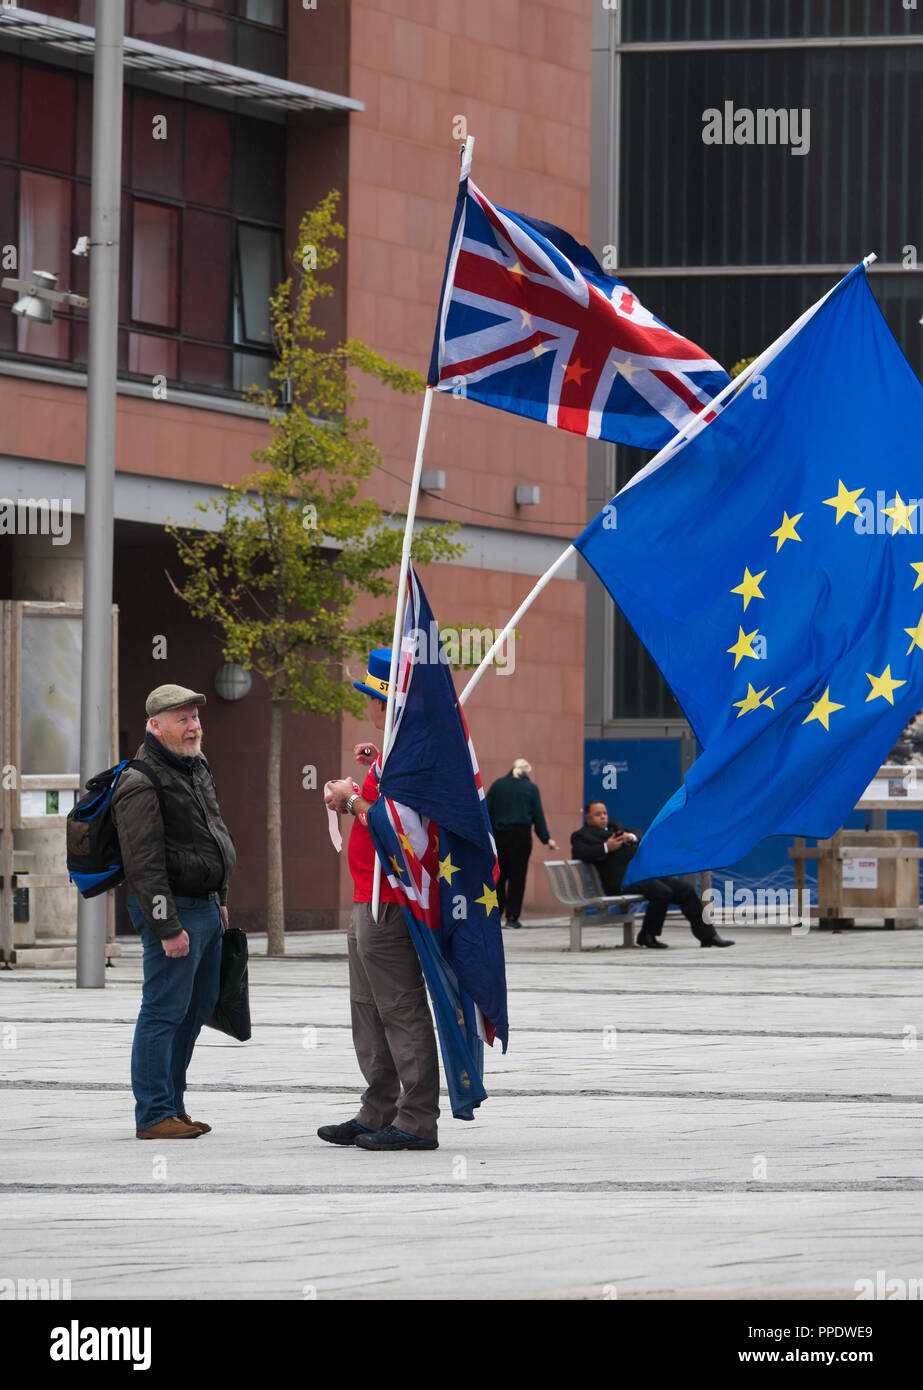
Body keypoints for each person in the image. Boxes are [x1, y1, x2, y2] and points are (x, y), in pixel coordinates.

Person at [320, 648, 440, 1152]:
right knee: (368, 1008)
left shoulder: (411, 751)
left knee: (399, 1006)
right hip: (368, 895)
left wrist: (348, 799)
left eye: (372, 696)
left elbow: (397, 825)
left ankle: (416, 1120)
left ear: (386, 701)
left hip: (389, 897)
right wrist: (368, 772)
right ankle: (378, 1110)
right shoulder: (394, 749)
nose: (368, 706)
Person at [110, 684, 237, 1140]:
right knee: (163, 1012)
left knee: (194, 1009)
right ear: (154, 725)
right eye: (181, 719)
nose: (193, 726)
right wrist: (166, 926)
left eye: (195, 718)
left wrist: (220, 898)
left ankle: (174, 1108)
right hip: (173, 912)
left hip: (204, 908)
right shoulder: (140, 781)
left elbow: (213, 833)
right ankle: (152, 1114)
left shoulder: (195, 767)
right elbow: (143, 865)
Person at [571, 800, 733, 948]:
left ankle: (708, 936)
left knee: (686, 890)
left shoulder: (615, 828)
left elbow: (640, 834)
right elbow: (579, 852)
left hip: (643, 876)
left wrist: (630, 837)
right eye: (597, 814)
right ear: (587, 817)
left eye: (604, 813)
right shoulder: (583, 835)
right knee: (662, 892)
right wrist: (606, 847)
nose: (603, 817)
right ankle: (647, 936)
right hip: (621, 881)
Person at [485, 758, 557, 928]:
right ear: (526, 772)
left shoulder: (498, 785)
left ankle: (495, 914)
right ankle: (512, 917)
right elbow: (538, 816)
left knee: (498, 876)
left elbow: (486, 810)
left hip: (498, 836)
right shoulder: (531, 788)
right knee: (518, 877)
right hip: (521, 837)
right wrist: (547, 839)